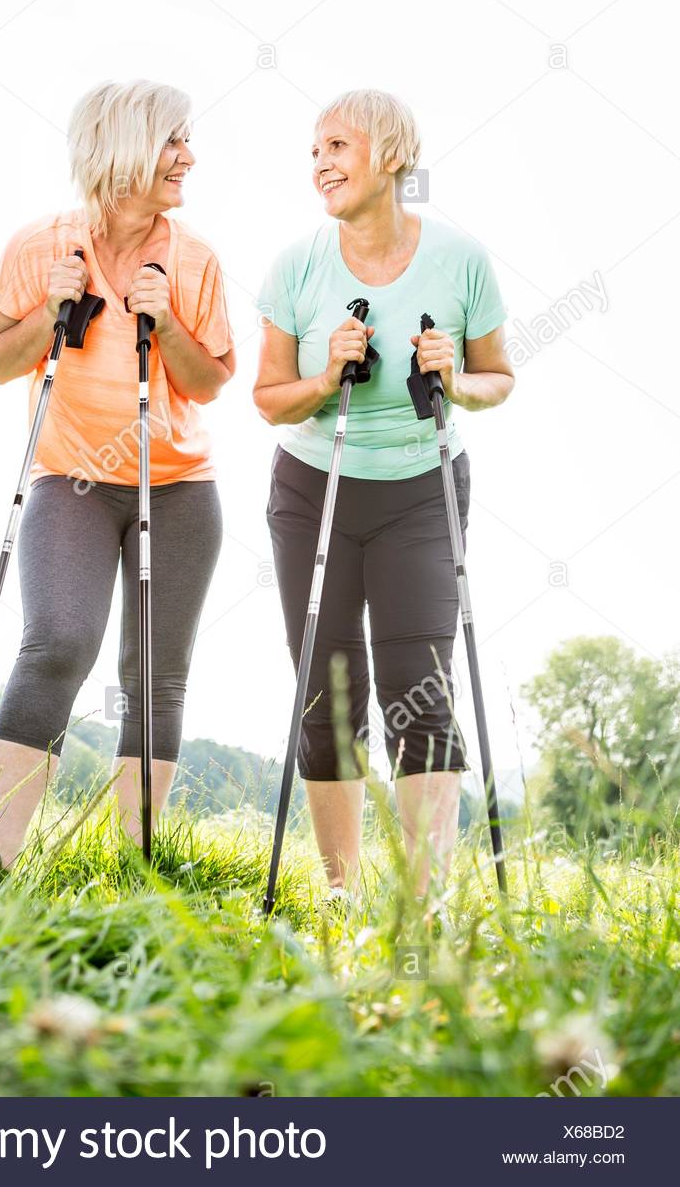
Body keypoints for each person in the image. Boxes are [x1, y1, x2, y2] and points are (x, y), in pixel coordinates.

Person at [254, 88, 513, 900]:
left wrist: (454, 378)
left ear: (392, 154)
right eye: (314, 150)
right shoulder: (296, 266)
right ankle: (341, 893)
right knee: (327, 691)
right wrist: (326, 374)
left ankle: (422, 905)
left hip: (420, 490)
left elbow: (498, 377)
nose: (321, 164)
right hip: (314, 488)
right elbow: (268, 399)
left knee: (421, 687)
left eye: (338, 146)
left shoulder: (461, 259)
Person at [0, 79, 234, 870]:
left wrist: (169, 321)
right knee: (56, 642)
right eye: (173, 140)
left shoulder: (194, 260)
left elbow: (213, 377)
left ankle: (135, 870)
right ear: (122, 148)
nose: (189, 156)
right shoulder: (39, 244)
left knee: (153, 676)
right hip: (69, 481)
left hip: (179, 486)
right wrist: (45, 314)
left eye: (188, 139)